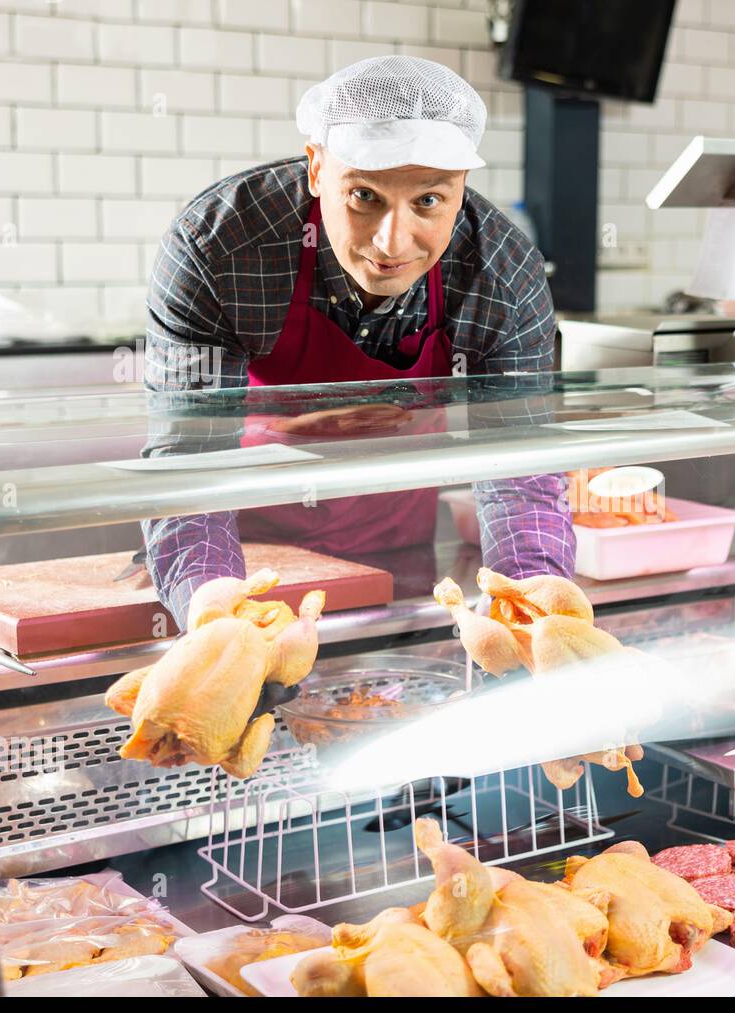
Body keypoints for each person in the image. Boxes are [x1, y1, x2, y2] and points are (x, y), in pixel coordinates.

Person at [142, 56, 573, 626]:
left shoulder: (505, 274)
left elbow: (520, 469)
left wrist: (534, 615)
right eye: (364, 196)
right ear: (317, 167)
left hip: (397, 555)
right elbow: (190, 460)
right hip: (244, 561)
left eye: (428, 201)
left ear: (463, 187)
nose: (392, 242)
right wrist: (217, 614)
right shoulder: (221, 245)